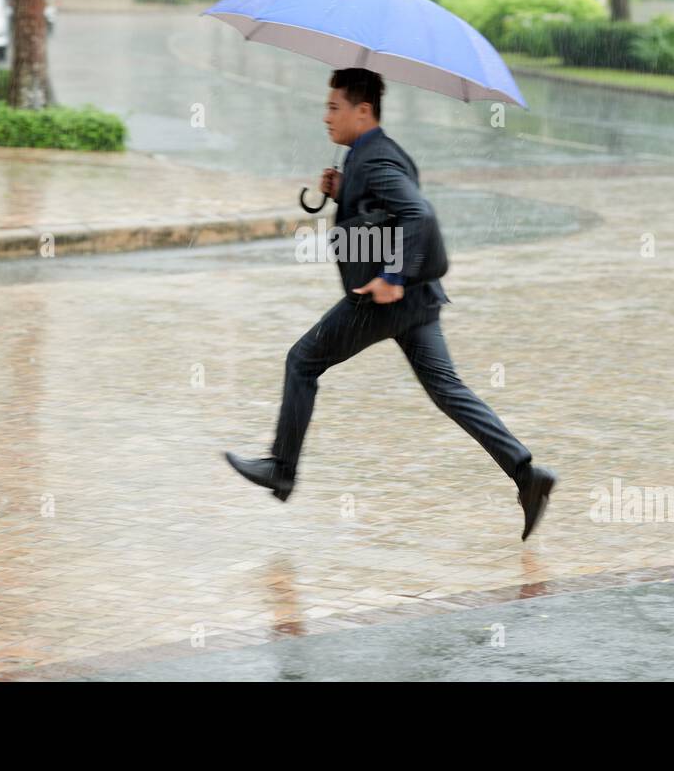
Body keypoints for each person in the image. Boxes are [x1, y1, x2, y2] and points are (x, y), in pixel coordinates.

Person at [225, 68, 556, 540]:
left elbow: (418, 212)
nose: (326, 117)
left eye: (334, 107)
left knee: (302, 360)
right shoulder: (374, 154)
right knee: (447, 390)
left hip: (385, 298)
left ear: (364, 111)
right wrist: (343, 193)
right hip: (417, 300)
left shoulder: (376, 159)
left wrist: (392, 276)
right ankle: (527, 474)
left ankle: (281, 468)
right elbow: (389, 211)